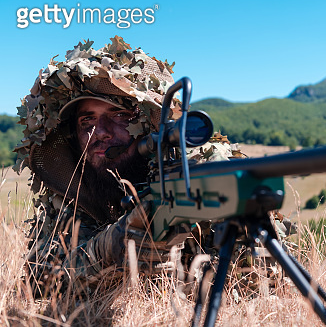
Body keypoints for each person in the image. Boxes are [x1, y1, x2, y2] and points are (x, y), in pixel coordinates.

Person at [15, 36, 243, 297]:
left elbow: (256, 279)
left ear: (148, 126)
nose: (99, 132)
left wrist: (178, 267)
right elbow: (40, 284)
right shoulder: (74, 192)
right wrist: (106, 250)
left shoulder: (199, 171)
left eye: (120, 116)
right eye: (87, 121)